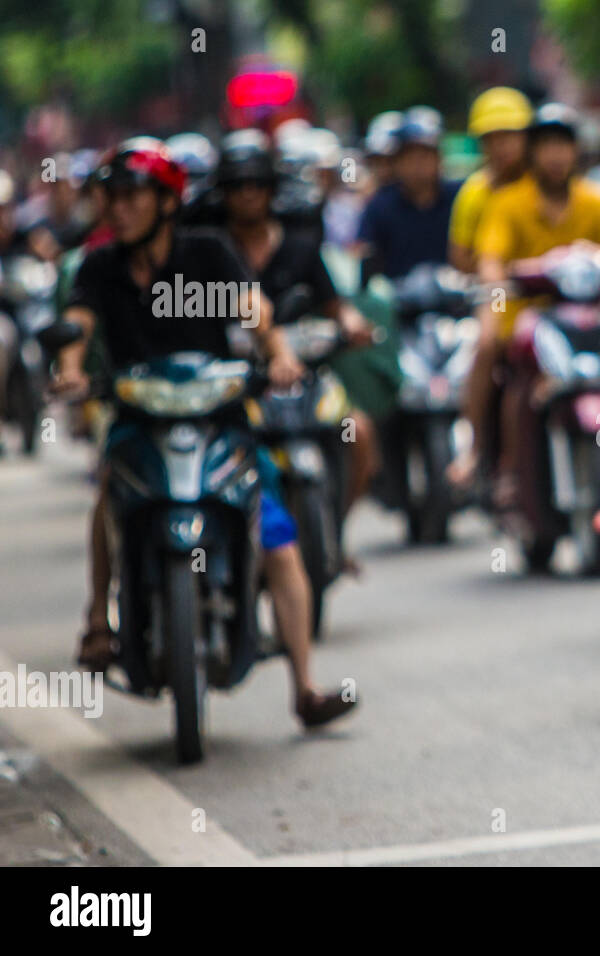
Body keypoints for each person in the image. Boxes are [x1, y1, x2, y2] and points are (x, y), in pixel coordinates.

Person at [49, 138, 356, 728]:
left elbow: (254, 310)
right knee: (110, 498)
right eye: (111, 197)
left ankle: (305, 685)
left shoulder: (208, 252)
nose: (118, 208)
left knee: (279, 541)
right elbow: (77, 325)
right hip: (138, 425)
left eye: (133, 196)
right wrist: (69, 370)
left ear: (166, 201)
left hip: (222, 424)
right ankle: (96, 622)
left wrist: (279, 354)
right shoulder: (99, 266)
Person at [447, 103, 600, 490]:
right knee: (489, 344)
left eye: (564, 145)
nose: (556, 156)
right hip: (522, 313)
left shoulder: (599, 200)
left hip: (587, 315)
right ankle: (484, 453)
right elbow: (489, 261)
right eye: (546, 146)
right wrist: (496, 282)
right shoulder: (506, 202)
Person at [214, 132, 380, 531]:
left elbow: (335, 304)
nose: (248, 195)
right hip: (240, 385)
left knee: (357, 432)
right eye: (237, 186)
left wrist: (351, 324)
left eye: (257, 184)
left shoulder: (302, 247)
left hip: (304, 378)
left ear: (271, 189)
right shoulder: (213, 253)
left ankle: (336, 531)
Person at [354, 107, 460, 281]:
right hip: (398, 302)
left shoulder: (459, 197)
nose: (417, 165)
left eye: (425, 156)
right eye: (410, 157)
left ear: (439, 158)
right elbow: (362, 253)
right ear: (396, 162)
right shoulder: (380, 205)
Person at [448, 87, 533, 274]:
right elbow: (459, 257)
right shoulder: (474, 192)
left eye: (508, 135)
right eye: (491, 138)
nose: (500, 146)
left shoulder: (543, 185)